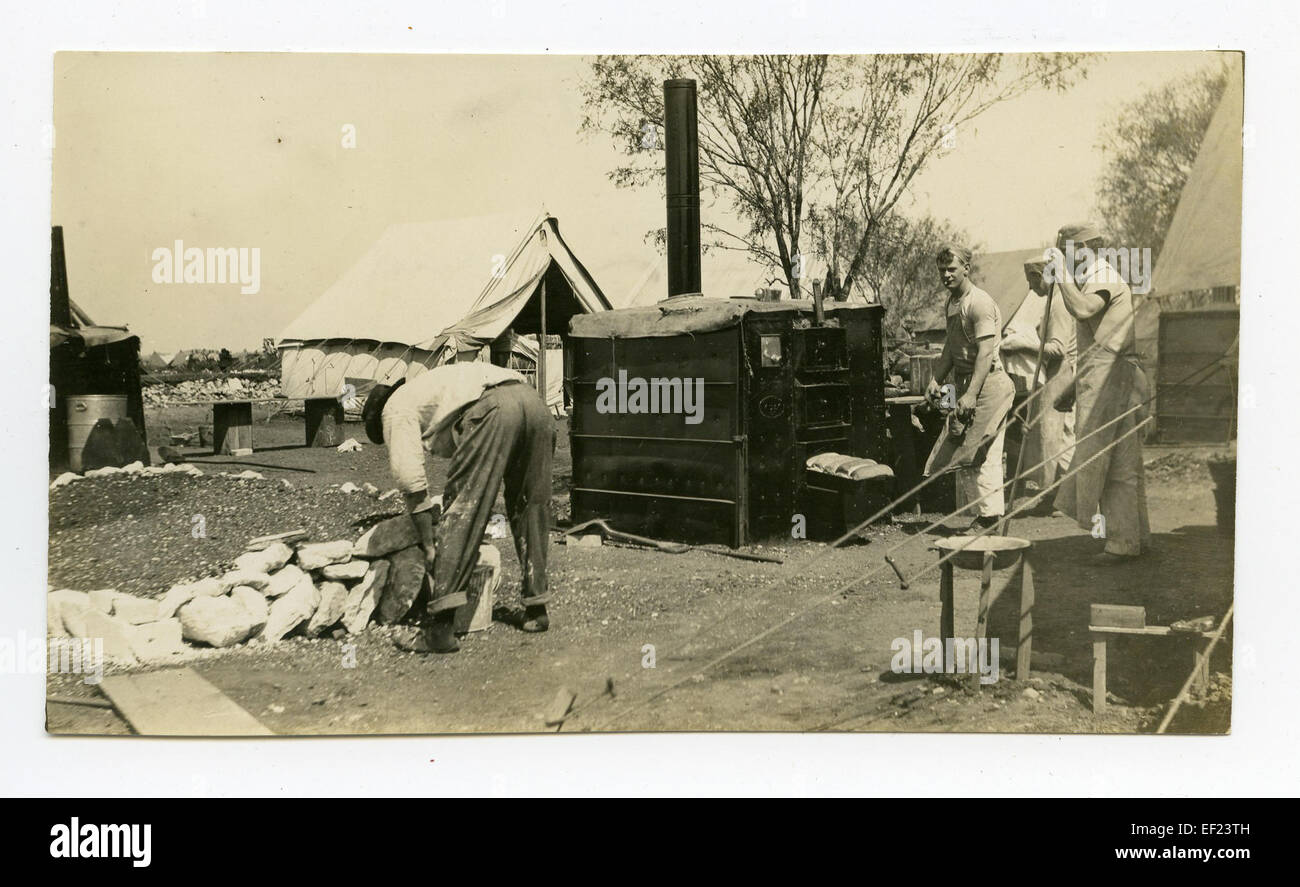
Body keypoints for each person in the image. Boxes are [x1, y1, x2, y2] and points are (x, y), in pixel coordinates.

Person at [363, 361, 555, 653]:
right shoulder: (429, 386)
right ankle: (536, 609)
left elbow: (411, 481)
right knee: (531, 505)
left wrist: (429, 544)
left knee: (463, 510)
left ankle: (440, 628)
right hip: (534, 402)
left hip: (494, 410)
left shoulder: (394, 409)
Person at [1045, 222, 1150, 563]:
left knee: (1112, 465)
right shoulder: (1096, 275)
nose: (1067, 258)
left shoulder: (1101, 274)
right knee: (1121, 464)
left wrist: (1060, 274)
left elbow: (1085, 309)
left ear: (1082, 249)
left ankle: (1122, 544)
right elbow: (1101, 341)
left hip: (1114, 381)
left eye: (1068, 251)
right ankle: (1131, 539)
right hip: (1111, 379)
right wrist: (1074, 389)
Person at [923, 244, 1016, 530]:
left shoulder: (980, 303)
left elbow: (985, 353)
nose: (946, 275)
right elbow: (951, 348)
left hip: (989, 384)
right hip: (965, 386)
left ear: (966, 268)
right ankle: (984, 516)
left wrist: (972, 394)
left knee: (980, 451)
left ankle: (990, 518)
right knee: (956, 451)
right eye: (942, 271)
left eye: (952, 269)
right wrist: (936, 379)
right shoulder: (952, 304)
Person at [999, 256, 1076, 505]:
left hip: (1063, 372)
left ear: (1041, 276)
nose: (1030, 288)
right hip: (1055, 373)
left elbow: (1057, 348)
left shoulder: (1059, 304)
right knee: (1053, 436)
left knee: (1059, 435)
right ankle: (1057, 492)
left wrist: (1023, 343)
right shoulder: (1052, 302)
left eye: (1031, 281)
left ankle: (1063, 493)